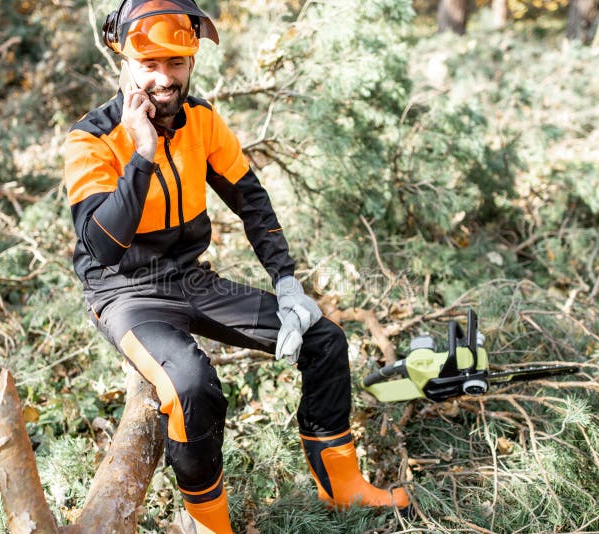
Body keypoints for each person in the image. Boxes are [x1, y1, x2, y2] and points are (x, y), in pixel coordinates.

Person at [63, 1, 409, 531]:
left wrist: (287, 283)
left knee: (325, 340)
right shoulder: (89, 139)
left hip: (191, 279)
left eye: (175, 63)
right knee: (191, 384)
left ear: (193, 59)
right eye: (149, 64)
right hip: (125, 292)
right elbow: (102, 245)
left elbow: (251, 199)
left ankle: (342, 486)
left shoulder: (201, 120)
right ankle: (210, 523)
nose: (163, 77)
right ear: (124, 63)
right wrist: (142, 154)